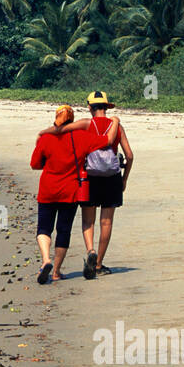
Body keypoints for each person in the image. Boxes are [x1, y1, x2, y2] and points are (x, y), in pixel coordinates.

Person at [29, 104, 120, 284]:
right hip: (70, 192)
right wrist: (116, 121)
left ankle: (46, 259)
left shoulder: (46, 139)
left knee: (44, 228)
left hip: (47, 190)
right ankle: (55, 271)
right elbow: (107, 141)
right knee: (63, 231)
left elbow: (34, 164)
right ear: (72, 120)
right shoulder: (82, 137)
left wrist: (41, 140)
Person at [79, 91, 133, 279]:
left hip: (90, 177)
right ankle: (99, 264)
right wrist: (124, 179)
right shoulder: (116, 126)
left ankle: (91, 251)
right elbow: (130, 155)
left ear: (89, 107)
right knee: (106, 222)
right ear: (107, 106)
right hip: (112, 177)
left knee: (88, 220)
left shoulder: (86, 125)